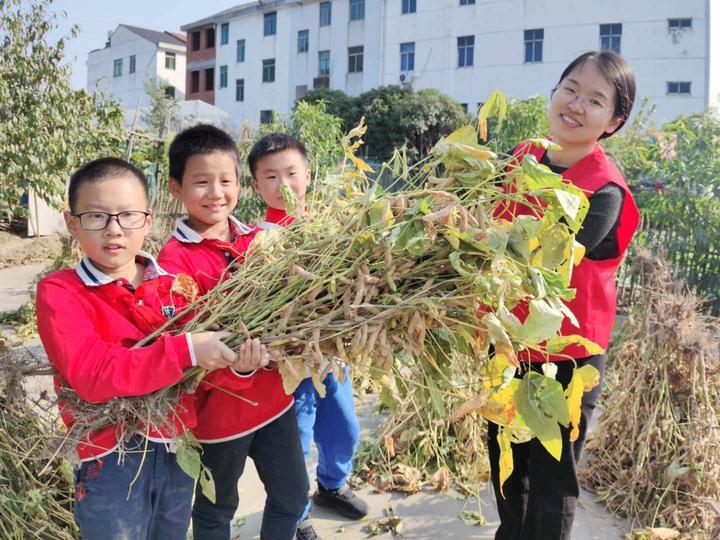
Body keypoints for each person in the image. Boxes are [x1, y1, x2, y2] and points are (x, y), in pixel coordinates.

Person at [36, 157, 267, 540]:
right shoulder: (61, 292)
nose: (114, 230)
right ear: (72, 222)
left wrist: (239, 367)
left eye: (127, 215)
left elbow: (200, 377)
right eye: (96, 216)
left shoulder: (176, 288)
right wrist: (186, 350)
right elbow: (94, 375)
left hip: (176, 449)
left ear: (147, 220)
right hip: (109, 458)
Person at [490, 50, 640, 540]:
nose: (575, 104)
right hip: (511, 342)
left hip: (568, 355)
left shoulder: (605, 190)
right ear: (554, 90)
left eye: (595, 100)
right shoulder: (522, 157)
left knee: (552, 475)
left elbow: (548, 264)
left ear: (614, 121)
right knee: (507, 457)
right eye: (570, 88)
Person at [158, 125, 308, 540]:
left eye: (226, 181)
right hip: (220, 410)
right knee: (217, 509)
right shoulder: (174, 261)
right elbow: (191, 340)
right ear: (176, 188)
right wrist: (236, 367)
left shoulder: (260, 239)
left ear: (241, 185)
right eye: (201, 182)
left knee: (293, 496)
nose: (216, 193)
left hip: (275, 399)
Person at [248, 133, 369, 540]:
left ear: (308, 176)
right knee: (296, 440)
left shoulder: (331, 227)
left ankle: (332, 486)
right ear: (255, 186)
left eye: (291, 173)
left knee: (345, 427)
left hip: (331, 355)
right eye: (270, 176)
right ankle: (296, 512)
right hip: (290, 364)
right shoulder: (259, 241)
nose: (283, 184)